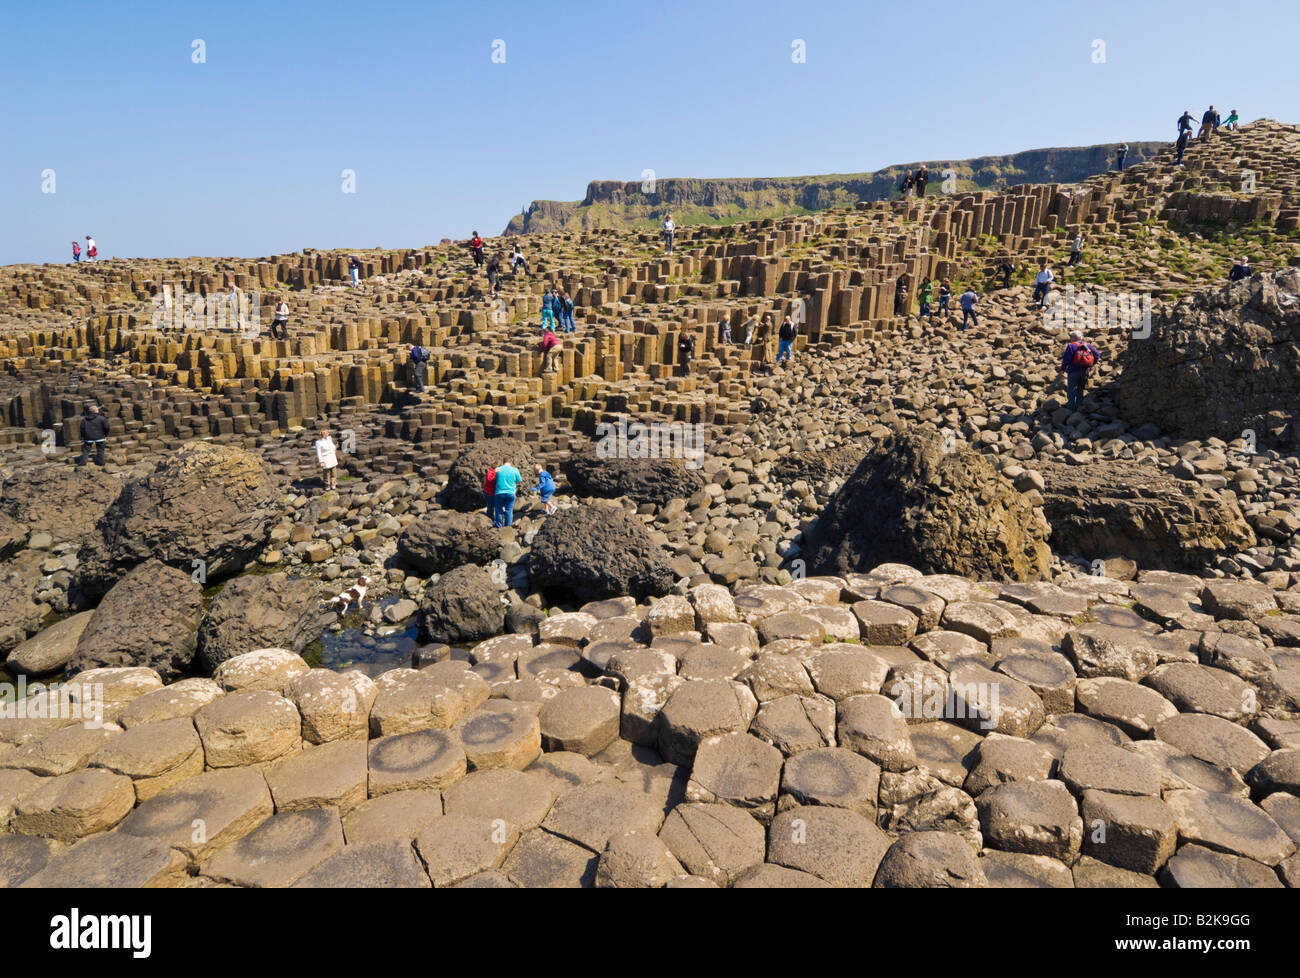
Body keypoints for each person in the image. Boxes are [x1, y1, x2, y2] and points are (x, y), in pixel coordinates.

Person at [1060, 330, 1102, 413]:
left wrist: (1063, 369)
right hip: (1085, 371)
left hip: (1073, 371)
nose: (1070, 339)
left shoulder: (1071, 346)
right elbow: (1097, 355)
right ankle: (1079, 406)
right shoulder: (1087, 345)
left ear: (1074, 338)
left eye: (1071, 337)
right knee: (1080, 389)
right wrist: (1091, 365)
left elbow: (1066, 359)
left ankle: (1070, 408)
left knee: (1071, 389)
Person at [492, 460, 521, 528]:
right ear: (510, 462)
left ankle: (499, 526)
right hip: (511, 493)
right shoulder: (515, 470)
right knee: (509, 510)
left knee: (498, 510)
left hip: (499, 493)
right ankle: (507, 527)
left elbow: (494, 480)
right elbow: (519, 480)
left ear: (503, 462)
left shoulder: (498, 469)